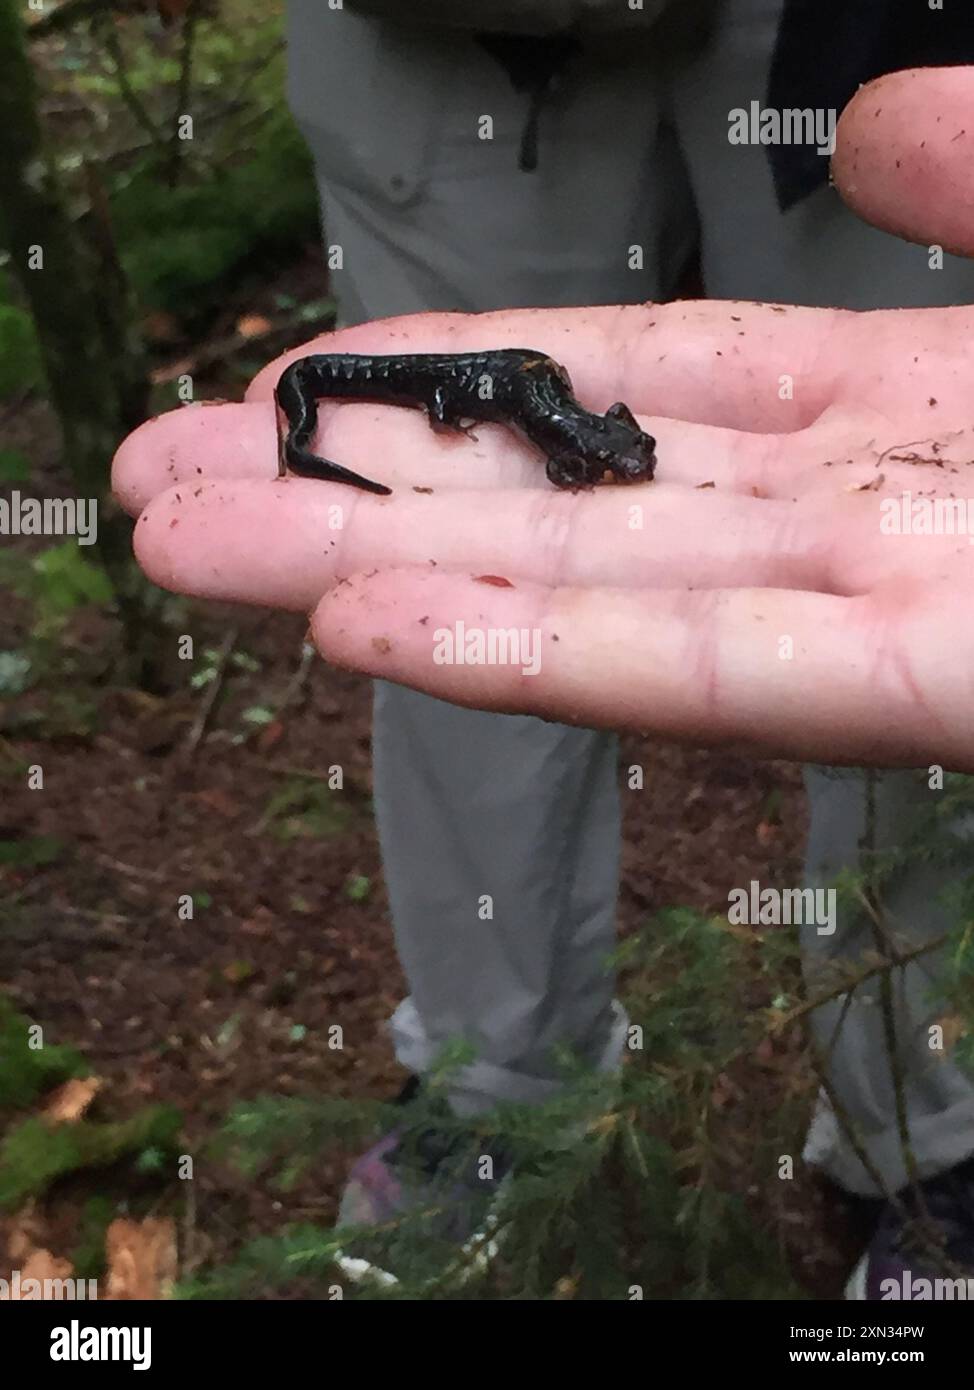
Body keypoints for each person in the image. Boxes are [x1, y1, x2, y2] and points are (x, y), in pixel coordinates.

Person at [114, 3, 974, 1295]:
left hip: (848, 30)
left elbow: (594, 433)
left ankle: (930, 1127)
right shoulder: (559, 436)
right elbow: (544, 434)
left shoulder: (592, 438)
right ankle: (487, 1089)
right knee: (451, 599)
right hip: (453, 36)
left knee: (886, 607)